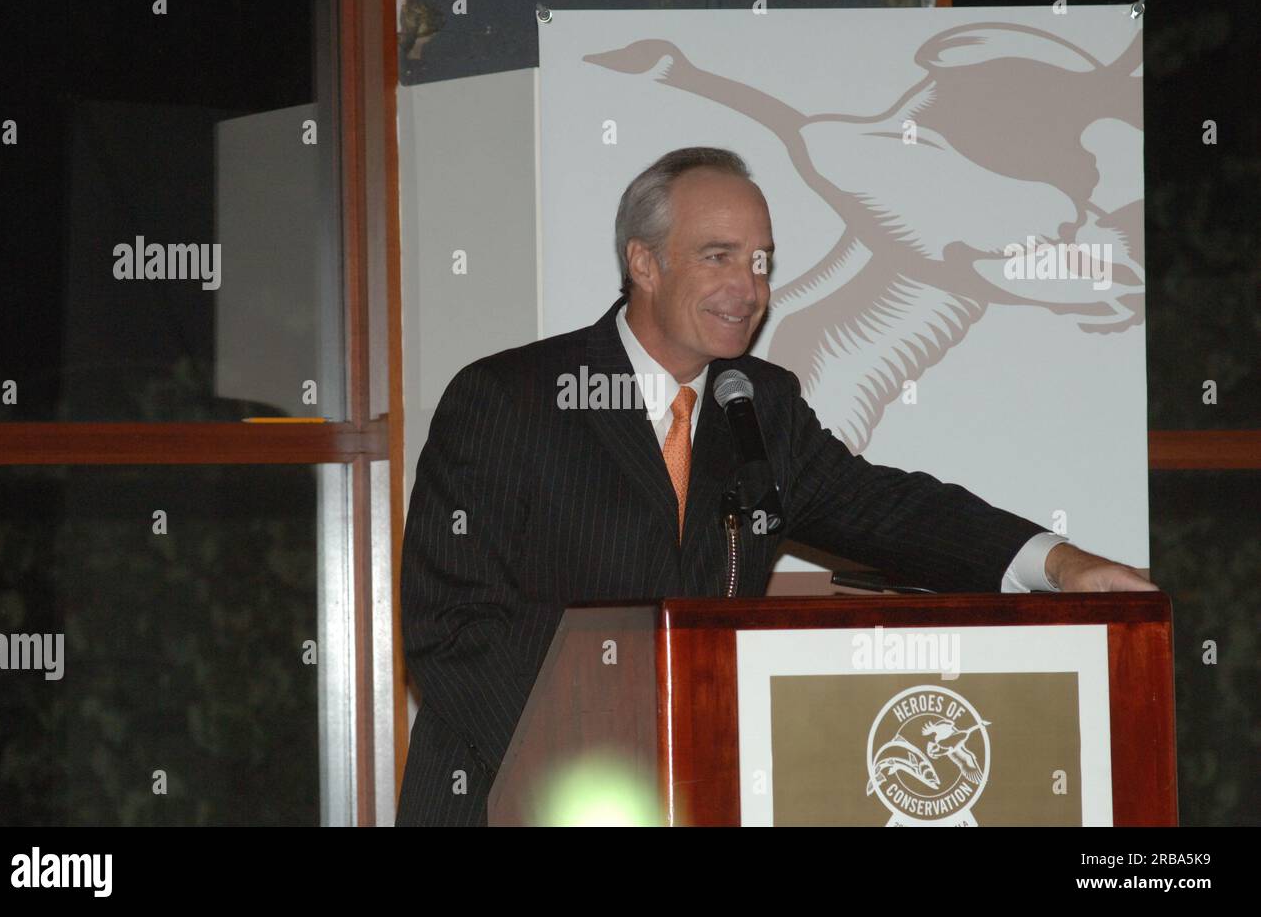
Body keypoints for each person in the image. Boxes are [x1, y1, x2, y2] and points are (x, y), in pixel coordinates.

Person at [395, 146, 1156, 827]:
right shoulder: (512, 396)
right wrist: (597, 764)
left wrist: (1058, 565)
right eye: (719, 257)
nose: (748, 287)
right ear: (645, 263)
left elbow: (891, 509)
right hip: (512, 800)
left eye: (761, 262)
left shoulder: (759, 404)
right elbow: (449, 624)